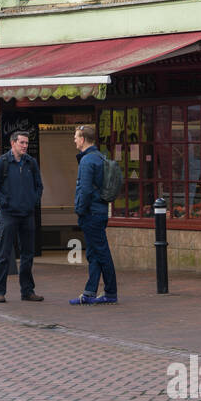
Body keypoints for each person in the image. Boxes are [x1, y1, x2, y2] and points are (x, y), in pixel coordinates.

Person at [0, 131, 44, 303]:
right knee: (4, 254)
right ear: (13, 143)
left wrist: (33, 200)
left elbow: (39, 186)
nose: (25, 146)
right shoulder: (2, 163)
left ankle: (27, 291)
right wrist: (5, 202)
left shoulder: (31, 163)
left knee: (28, 254)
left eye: (26, 143)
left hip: (27, 215)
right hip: (9, 215)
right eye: (22, 143)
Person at [71, 124, 118, 305]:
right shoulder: (100, 157)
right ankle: (90, 293)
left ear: (83, 139)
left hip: (91, 214)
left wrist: (80, 210)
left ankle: (111, 292)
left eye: (76, 137)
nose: (74, 140)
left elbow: (85, 190)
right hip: (100, 211)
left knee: (102, 253)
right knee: (94, 253)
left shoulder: (87, 161)